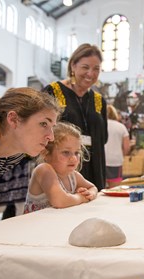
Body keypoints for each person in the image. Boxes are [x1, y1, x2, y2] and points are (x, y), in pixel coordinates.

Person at [0, 87, 60, 214]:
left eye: (52, 127)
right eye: (43, 124)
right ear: (13, 119)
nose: (51, 137)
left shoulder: (12, 155)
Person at [43, 43, 108, 191]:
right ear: (73, 66)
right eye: (85, 67)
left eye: (96, 69)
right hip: (62, 167)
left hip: (95, 166)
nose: (90, 73)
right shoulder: (53, 91)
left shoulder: (99, 100)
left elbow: (104, 138)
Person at [24, 122, 97, 213]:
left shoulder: (73, 176)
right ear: (45, 153)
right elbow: (59, 201)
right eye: (66, 152)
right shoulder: (44, 170)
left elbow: (93, 187)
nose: (74, 158)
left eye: (77, 153)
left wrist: (89, 194)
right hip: (34, 226)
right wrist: (81, 197)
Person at [104, 105, 130, 188]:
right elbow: (126, 147)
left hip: (101, 160)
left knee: (99, 189)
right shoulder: (121, 127)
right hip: (116, 161)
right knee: (115, 189)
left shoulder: (99, 125)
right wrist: (122, 156)